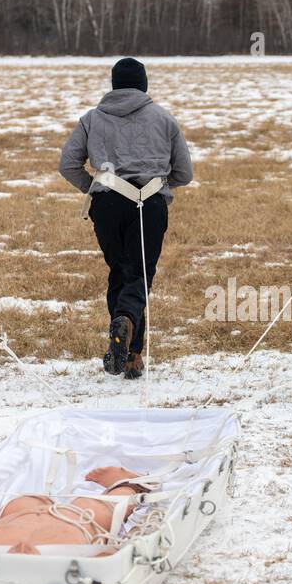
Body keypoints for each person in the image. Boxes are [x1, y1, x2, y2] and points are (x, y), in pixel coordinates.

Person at [59, 57, 193, 380]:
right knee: (140, 274)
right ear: (143, 84)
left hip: (106, 206)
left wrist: (93, 187)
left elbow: (68, 163)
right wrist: (160, 185)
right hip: (148, 203)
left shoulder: (91, 119)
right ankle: (126, 325)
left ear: (114, 84)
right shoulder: (164, 119)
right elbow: (184, 173)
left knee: (121, 271)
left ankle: (130, 355)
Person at [0, 465, 147, 554]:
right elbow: (106, 564)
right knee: (103, 506)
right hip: (76, 521)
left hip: (15, 522)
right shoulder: (62, 571)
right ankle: (130, 484)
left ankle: (41, 500)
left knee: (25, 501)